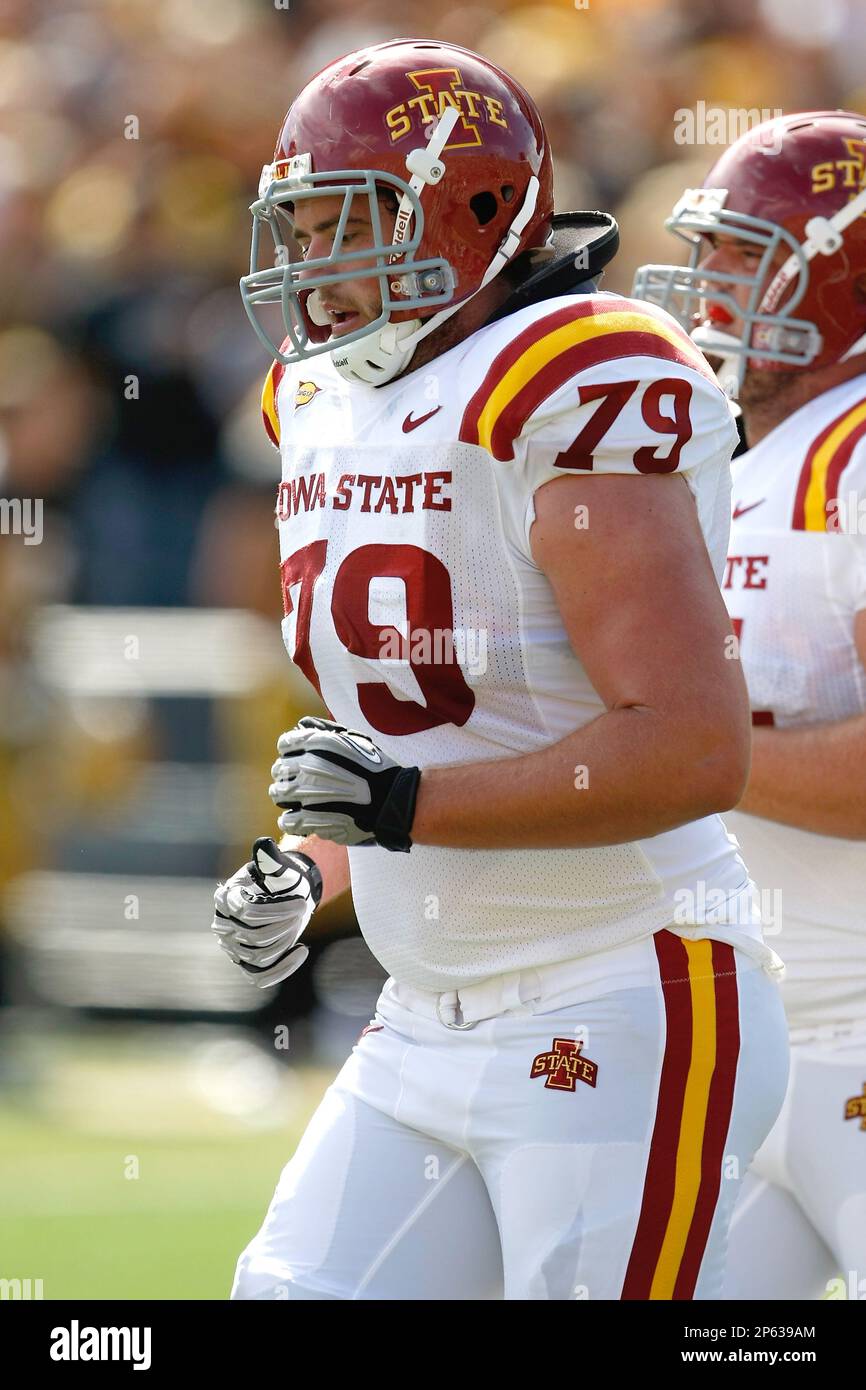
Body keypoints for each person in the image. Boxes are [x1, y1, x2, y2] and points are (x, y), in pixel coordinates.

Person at [212, 38, 787, 1301]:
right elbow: (445, 746)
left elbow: (691, 747)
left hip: (624, 997)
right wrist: (320, 864)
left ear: (469, 213)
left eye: (342, 226)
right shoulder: (315, 401)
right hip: (422, 1014)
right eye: (295, 233)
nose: (313, 273)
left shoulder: (567, 377)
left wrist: (403, 810)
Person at [634, 108, 866, 1300]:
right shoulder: (721, 455)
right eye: (709, 251)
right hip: (749, 1042)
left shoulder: (854, 456)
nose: (708, 285)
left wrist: (688, 752)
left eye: (743, 253)